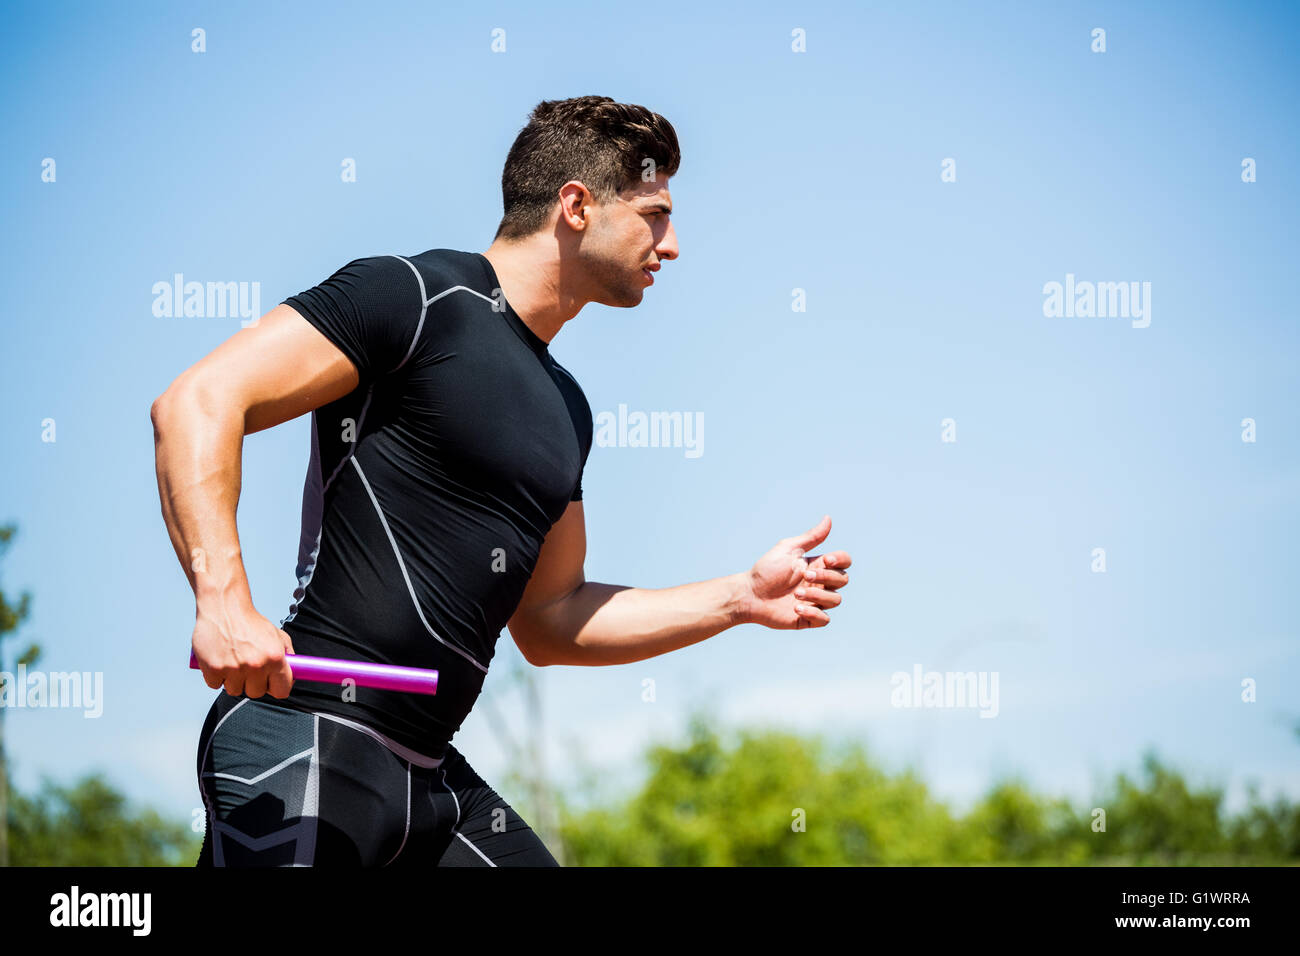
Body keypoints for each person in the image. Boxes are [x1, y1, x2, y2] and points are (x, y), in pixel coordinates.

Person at [150, 95, 851, 867]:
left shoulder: (567, 408)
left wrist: (738, 598)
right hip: (307, 735)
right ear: (577, 205)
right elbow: (199, 401)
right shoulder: (414, 297)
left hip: (431, 780)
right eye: (655, 213)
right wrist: (222, 601)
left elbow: (551, 617)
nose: (673, 245)